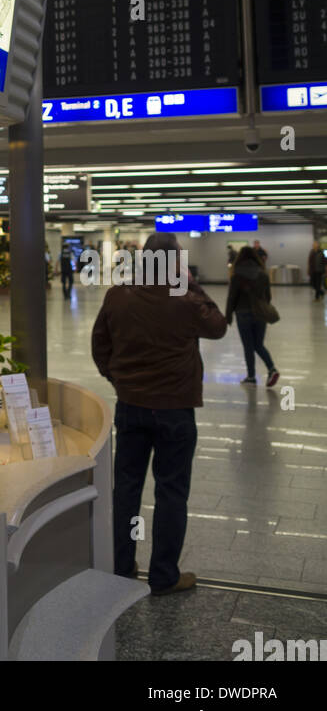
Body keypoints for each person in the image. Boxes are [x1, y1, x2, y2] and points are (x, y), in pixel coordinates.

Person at [91, 230, 227, 596]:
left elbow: (99, 345)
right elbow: (218, 326)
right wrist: (192, 284)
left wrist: (119, 381)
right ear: (175, 262)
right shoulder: (184, 299)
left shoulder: (118, 295)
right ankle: (164, 575)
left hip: (131, 407)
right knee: (171, 492)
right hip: (175, 411)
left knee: (127, 490)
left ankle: (121, 567)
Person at [226, 245, 279, 387]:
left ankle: (251, 376)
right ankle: (271, 368)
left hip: (243, 313)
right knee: (258, 345)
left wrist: (228, 315)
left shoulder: (236, 274)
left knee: (248, 346)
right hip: (260, 313)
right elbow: (268, 296)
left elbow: (232, 297)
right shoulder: (263, 273)